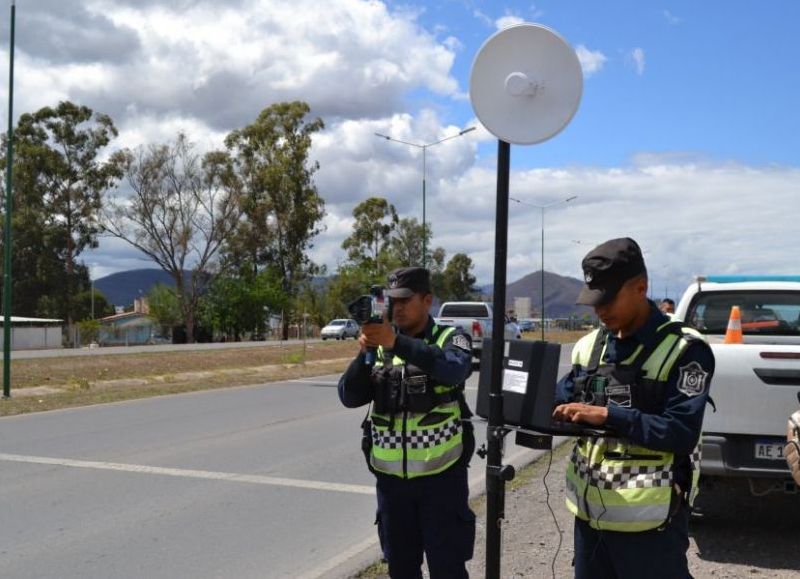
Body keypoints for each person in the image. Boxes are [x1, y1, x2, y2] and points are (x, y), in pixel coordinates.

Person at [553, 238, 715, 579]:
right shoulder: (589, 347)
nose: (599, 310)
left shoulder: (685, 351)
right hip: (589, 521)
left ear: (641, 287)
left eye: (608, 300)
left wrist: (611, 416)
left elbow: (681, 433)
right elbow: (558, 402)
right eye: (594, 301)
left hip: (650, 528)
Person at [338, 266, 476, 579]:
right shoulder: (381, 346)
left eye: (404, 300)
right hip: (391, 486)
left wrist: (395, 343)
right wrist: (365, 354)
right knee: (400, 569)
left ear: (427, 300)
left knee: (447, 569)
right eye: (392, 301)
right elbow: (349, 396)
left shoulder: (451, 338)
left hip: (441, 483)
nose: (396, 307)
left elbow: (453, 369)